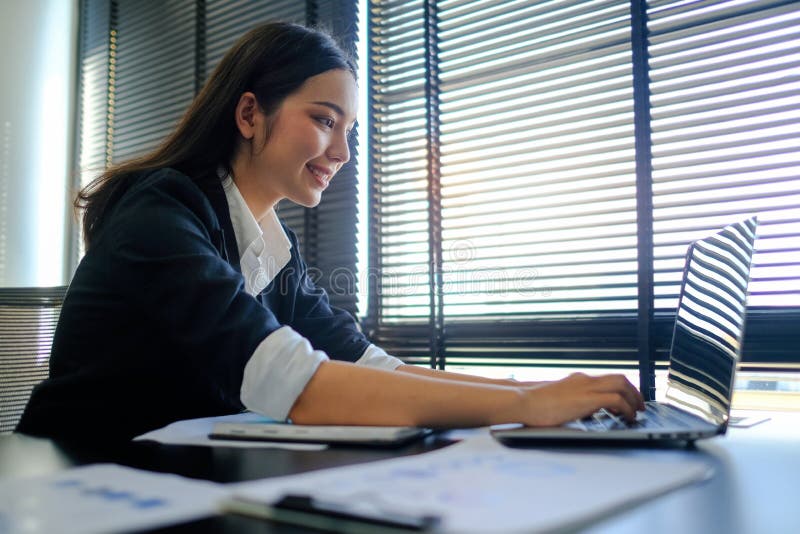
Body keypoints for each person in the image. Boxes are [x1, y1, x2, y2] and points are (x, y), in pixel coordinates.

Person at [17, 22, 643, 442]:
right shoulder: (162, 215)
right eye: (324, 120)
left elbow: (375, 366)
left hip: (166, 479)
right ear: (248, 113)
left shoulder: (268, 245)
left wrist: (536, 392)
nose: (342, 151)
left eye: (351, 132)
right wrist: (523, 410)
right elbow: (300, 388)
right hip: (73, 480)